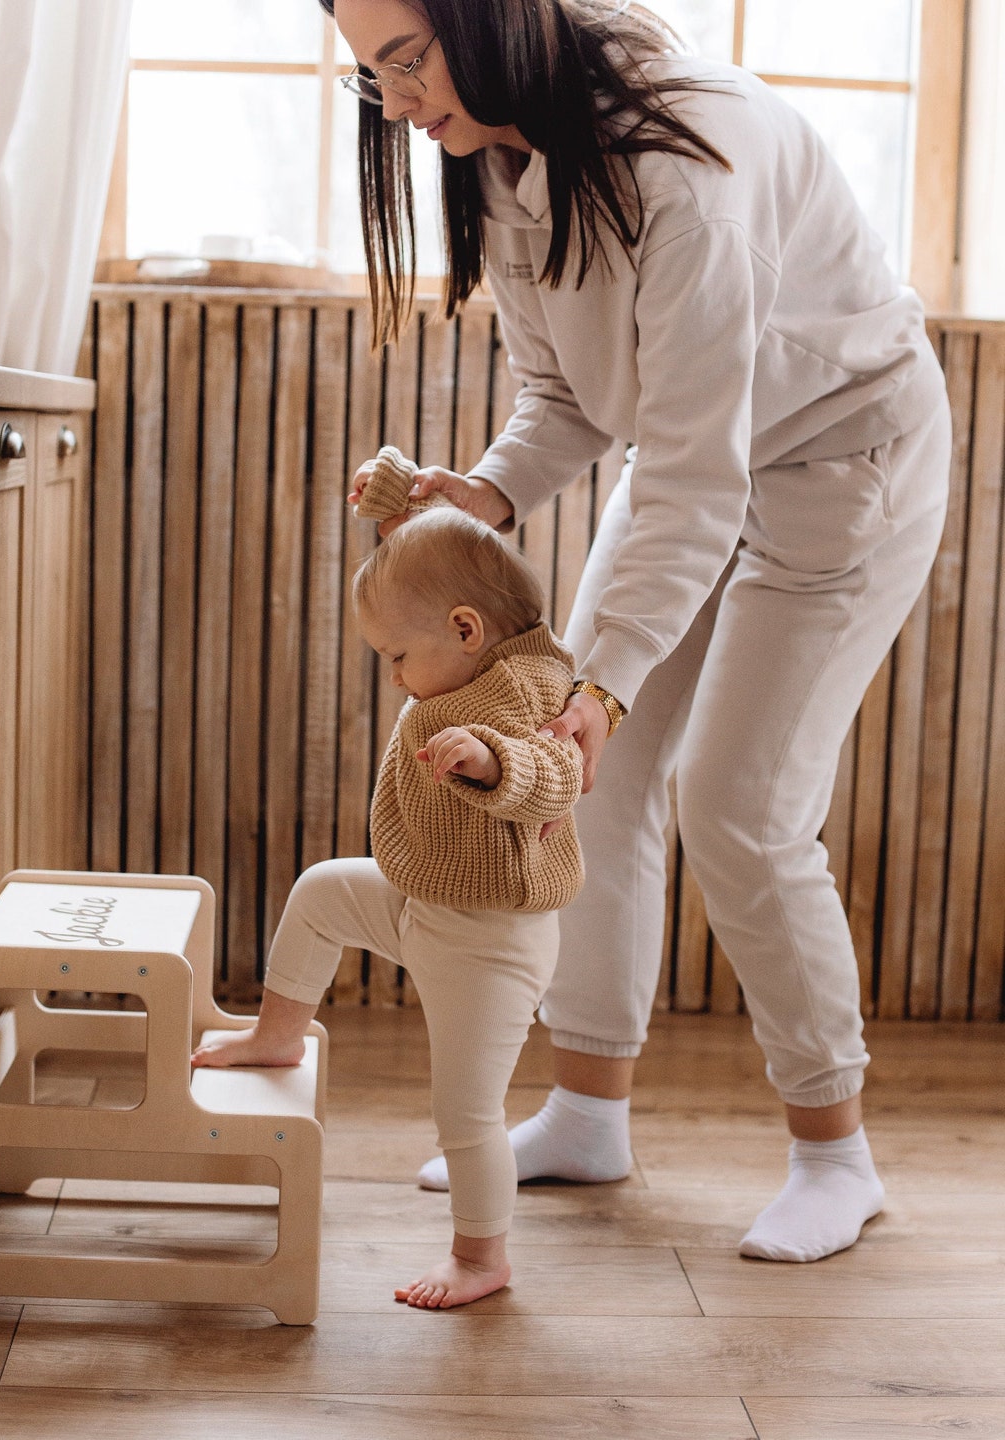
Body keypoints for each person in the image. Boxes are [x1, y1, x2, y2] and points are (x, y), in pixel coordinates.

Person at [324, 0, 952, 1263]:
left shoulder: (686, 169)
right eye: (368, 74)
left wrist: (600, 689)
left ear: (490, 19)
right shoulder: (500, 154)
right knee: (591, 790)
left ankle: (837, 1154)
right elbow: (566, 394)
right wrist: (488, 490)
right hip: (696, 468)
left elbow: (689, 476)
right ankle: (588, 1107)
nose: (393, 102)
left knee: (739, 804)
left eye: (407, 60)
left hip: (843, 468)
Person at [193, 503, 584, 1307]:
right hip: (424, 901)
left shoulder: (523, 692)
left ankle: (482, 1257)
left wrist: (492, 763)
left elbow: (559, 772)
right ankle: (276, 1036)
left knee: (466, 1114)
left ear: (467, 629)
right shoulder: (462, 671)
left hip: (490, 946)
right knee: (322, 890)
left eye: (398, 655)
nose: (395, 675)